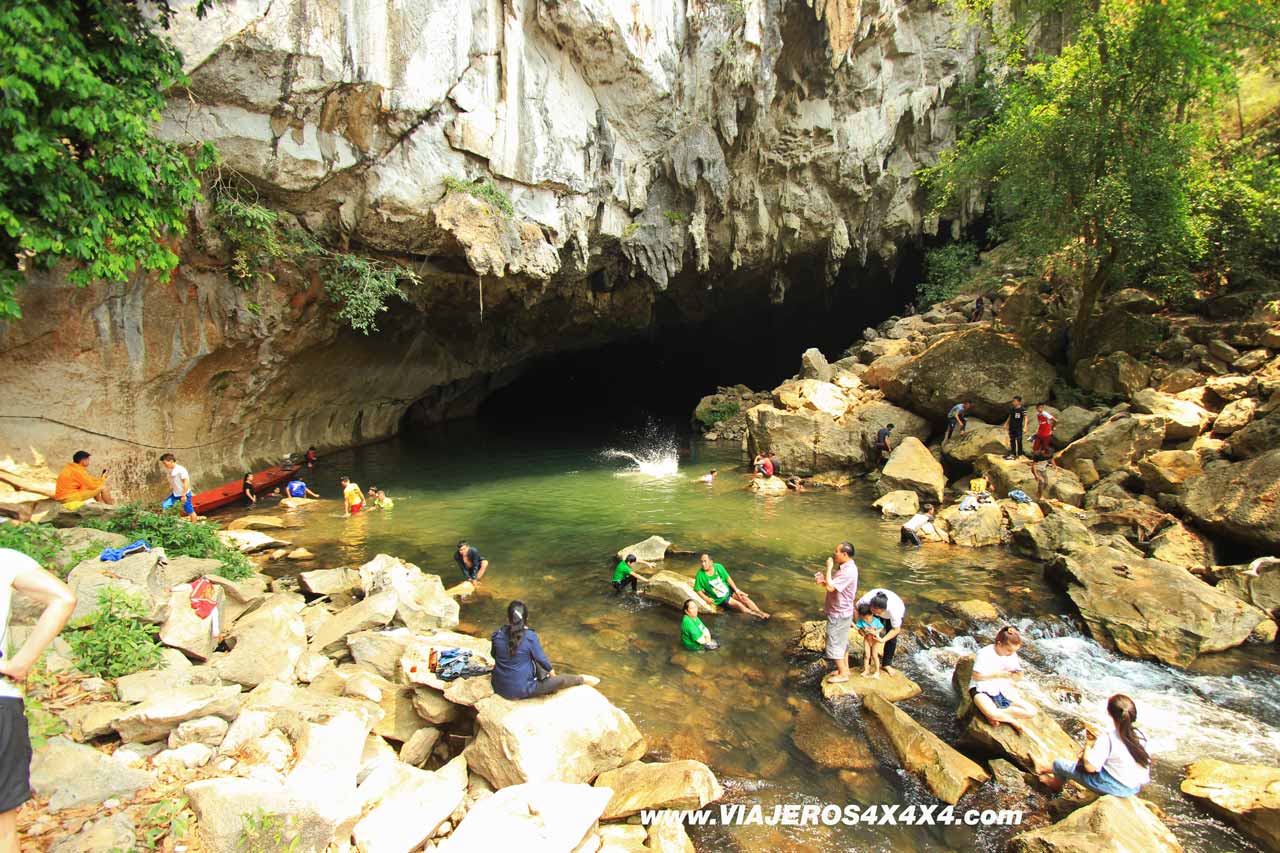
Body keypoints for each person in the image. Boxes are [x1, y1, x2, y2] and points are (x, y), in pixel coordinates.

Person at [0, 548, 77, 853]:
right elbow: (64, 598)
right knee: (3, 830)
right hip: (1, 702)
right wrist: (21, 664)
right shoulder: (5, 559)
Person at [1036, 695, 1152, 797]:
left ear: (1109, 713)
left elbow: (1090, 768)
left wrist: (1087, 747)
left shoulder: (1108, 738)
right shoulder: (1142, 736)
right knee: (1080, 763)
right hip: (1133, 788)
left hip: (1115, 788)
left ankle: (1055, 785)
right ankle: (1046, 767)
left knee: (1059, 764)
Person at [491, 601, 599, 699]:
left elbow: (494, 655)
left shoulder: (497, 634)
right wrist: (552, 674)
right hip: (521, 689)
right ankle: (582, 679)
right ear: (526, 618)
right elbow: (542, 660)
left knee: (530, 661)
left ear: (508, 618)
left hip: (498, 686)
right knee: (561, 680)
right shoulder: (530, 637)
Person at [968, 626, 1040, 736]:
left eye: (1014, 651)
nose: (1011, 653)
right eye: (1009, 650)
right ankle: (1011, 720)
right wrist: (997, 675)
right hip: (980, 688)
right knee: (991, 711)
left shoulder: (1011, 655)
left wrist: (1017, 675)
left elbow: (1017, 673)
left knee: (1032, 711)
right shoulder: (984, 653)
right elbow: (976, 676)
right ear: (999, 644)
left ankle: (997, 716)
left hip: (1000, 688)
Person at [813, 542, 858, 683]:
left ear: (845, 554)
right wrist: (823, 581)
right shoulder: (846, 567)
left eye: (837, 551)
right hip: (843, 611)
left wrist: (829, 568)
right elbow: (833, 585)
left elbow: (832, 588)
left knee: (834, 642)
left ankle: (843, 673)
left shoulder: (848, 571)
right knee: (842, 641)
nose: (834, 553)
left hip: (839, 613)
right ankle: (844, 669)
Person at [694, 553, 769, 620]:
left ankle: (760, 612)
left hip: (728, 590)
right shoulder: (700, 575)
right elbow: (697, 589)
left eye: (705, 561)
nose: (703, 564)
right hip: (720, 598)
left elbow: (728, 578)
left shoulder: (718, 567)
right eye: (701, 561)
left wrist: (737, 590)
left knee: (744, 598)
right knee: (739, 605)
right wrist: (706, 598)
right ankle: (757, 615)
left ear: (711, 562)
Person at [856, 589, 905, 672]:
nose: (877, 615)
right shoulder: (865, 601)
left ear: (884, 610)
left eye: (879, 613)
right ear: (870, 606)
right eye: (874, 612)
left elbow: (896, 629)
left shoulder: (895, 610)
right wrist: (861, 627)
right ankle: (867, 664)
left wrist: (882, 640)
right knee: (869, 636)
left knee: (891, 639)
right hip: (874, 610)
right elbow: (857, 610)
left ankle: (886, 664)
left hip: (893, 612)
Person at [159, 453, 197, 522]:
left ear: (171, 461)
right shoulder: (170, 469)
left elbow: (186, 482)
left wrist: (183, 495)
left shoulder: (180, 470)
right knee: (165, 505)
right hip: (175, 494)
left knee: (189, 511)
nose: (164, 465)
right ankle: (168, 523)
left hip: (184, 494)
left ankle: (194, 527)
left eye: (165, 463)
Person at [855, 602, 884, 678]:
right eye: (864, 618)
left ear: (872, 614)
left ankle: (877, 671)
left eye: (868, 618)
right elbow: (859, 628)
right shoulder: (861, 621)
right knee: (867, 656)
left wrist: (875, 632)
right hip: (867, 640)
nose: (866, 620)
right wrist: (862, 633)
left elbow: (881, 627)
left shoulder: (876, 620)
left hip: (875, 640)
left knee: (874, 655)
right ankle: (866, 670)